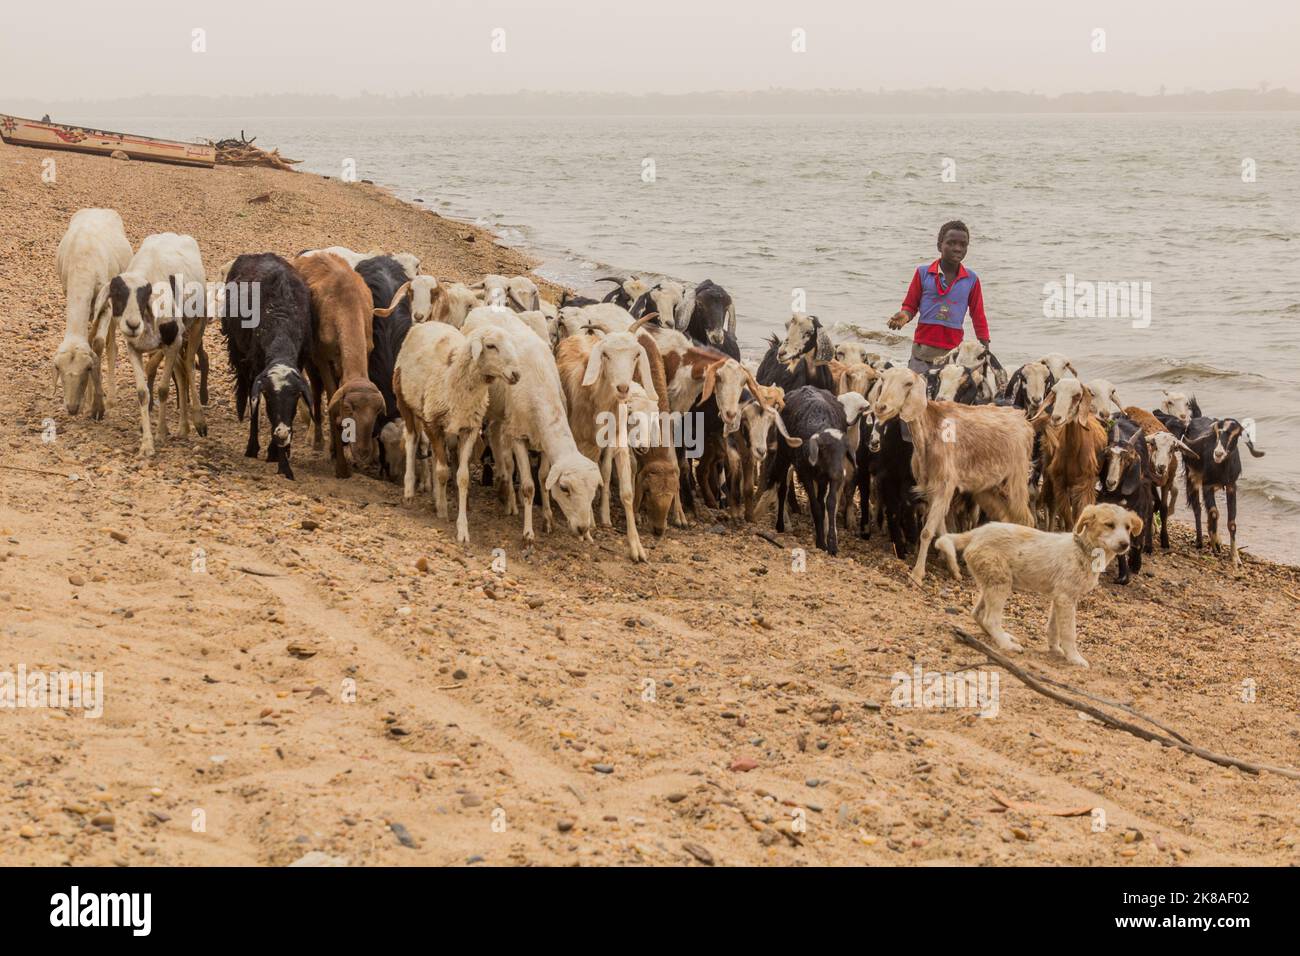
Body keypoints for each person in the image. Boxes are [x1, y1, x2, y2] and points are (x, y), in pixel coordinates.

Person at [888, 220, 990, 374]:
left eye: (963, 244)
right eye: (951, 243)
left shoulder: (971, 279)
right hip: (921, 354)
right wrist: (904, 315)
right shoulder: (923, 273)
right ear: (939, 246)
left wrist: (985, 347)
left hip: (952, 355)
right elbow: (910, 305)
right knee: (918, 393)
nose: (957, 248)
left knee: (945, 396)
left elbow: (978, 315)